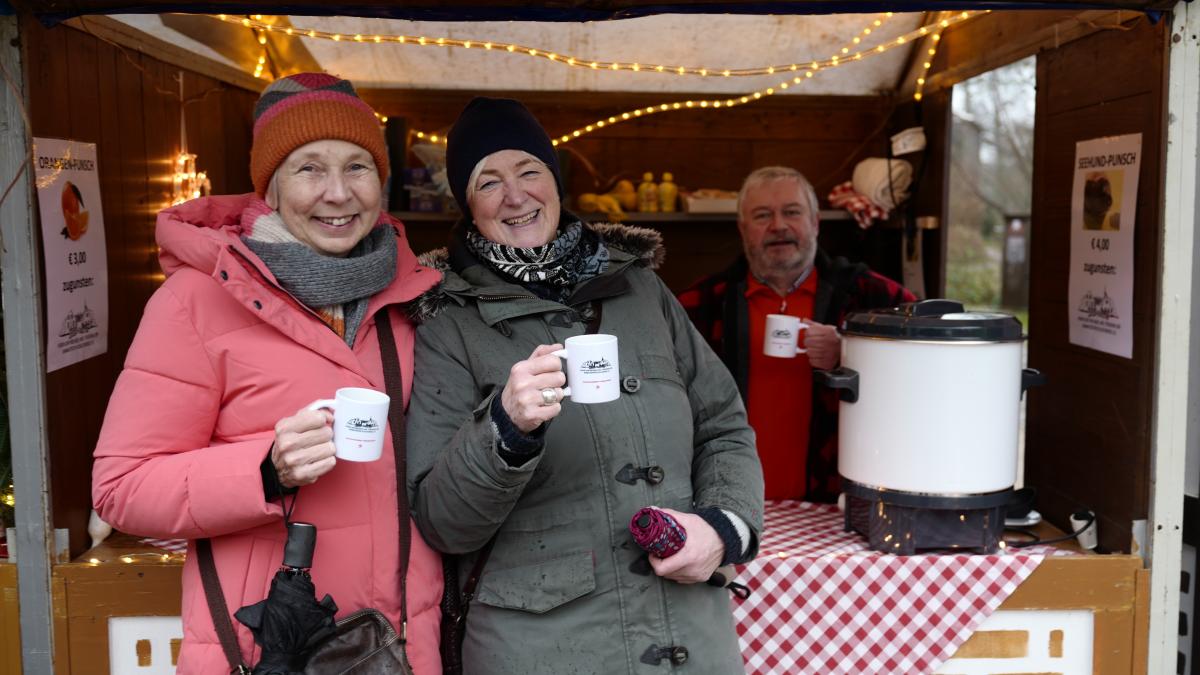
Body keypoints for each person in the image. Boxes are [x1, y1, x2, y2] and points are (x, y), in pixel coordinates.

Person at [91, 73, 443, 674]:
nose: (338, 193)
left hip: (401, 643)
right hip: (265, 648)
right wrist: (263, 470)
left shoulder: (416, 295)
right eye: (309, 168)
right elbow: (120, 487)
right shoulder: (194, 302)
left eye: (358, 167)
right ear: (271, 186)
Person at [406, 97, 764, 674]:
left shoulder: (642, 290)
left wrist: (725, 526)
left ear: (555, 181)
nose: (515, 195)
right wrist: (504, 429)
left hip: (690, 639)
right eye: (488, 181)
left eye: (529, 171)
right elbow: (442, 521)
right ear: (468, 205)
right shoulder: (448, 323)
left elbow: (723, 425)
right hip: (544, 652)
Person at [679, 166, 916, 503]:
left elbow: (929, 372)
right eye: (762, 215)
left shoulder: (875, 299)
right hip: (725, 506)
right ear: (743, 229)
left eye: (792, 212)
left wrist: (851, 351)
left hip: (842, 510)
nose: (778, 226)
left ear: (815, 222)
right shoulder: (697, 307)